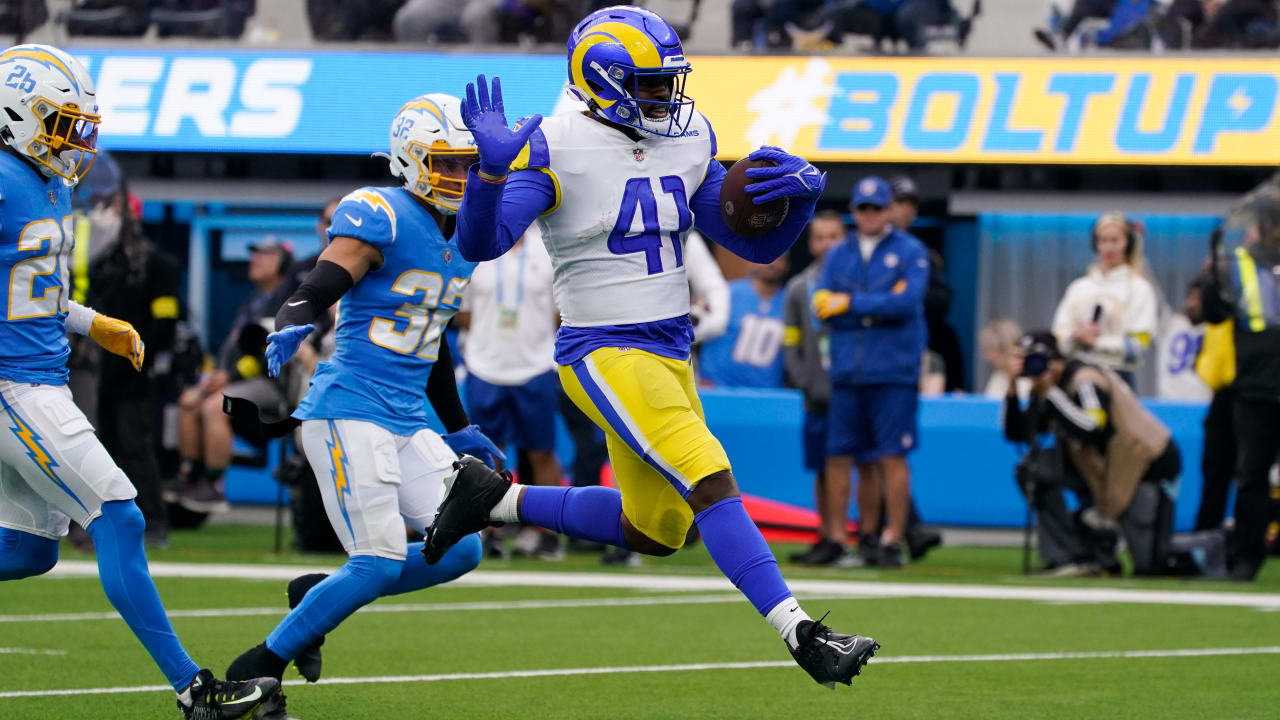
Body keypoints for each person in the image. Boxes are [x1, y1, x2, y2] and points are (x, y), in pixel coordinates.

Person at [426, 6, 879, 689]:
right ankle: (802, 632)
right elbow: (480, 245)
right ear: (602, 82)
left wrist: (801, 203)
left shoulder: (688, 133)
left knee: (656, 530)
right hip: (602, 348)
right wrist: (489, 179)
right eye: (648, 83)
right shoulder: (554, 144)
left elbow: (751, 245)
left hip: (670, 349)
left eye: (669, 82)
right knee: (710, 477)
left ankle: (495, 501)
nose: (667, 98)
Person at [0, 42, 278, 719]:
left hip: (39, 375)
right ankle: (194, 690)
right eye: (62, 124)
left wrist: (93, 322)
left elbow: (28, 288)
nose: (77, 140)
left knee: (30, 551)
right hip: (14, 387)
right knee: (119, 513)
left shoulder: (45, 181)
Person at [224, 94, 504, 712]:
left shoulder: (466, 233)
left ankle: (317, 594)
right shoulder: (381, 213)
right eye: (446, 163)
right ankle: (260, 665)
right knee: (375, 562)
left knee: (463, 547)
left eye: (467, 164)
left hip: (405, 417)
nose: (459, 177)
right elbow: (321, 281)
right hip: (348, 409)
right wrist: (294, 318)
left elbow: (434, 340)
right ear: (410, 159)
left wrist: (458, 426)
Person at [814, 176, 929, 568]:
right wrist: (875, 304)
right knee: (840, 456)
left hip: (893, 371)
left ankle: (891, 538)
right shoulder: (840, 253)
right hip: (848, 369)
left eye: (876, 207)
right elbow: (823, 304)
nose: (869, 215)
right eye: (862, 208)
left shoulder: (910, 250)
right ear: (854, 212)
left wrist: (851, 304)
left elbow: (907, 302)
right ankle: (838, 538)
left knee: (890, 456)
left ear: (889, 210)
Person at [1004, 332, 1188, 576]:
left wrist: (1051, 394)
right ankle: (1072, 555)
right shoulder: (1045, 390)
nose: (1034, 369)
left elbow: (1091, 427)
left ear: (1057, 360)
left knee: (1150, 566)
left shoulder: (1085, 379)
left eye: (1038, 360)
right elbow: (1018, 433)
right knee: (1034, 469)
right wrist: (1012, 387)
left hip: (1145, 467)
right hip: (1103, 471)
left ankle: (1099, 533)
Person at [86, 177, 182, 548]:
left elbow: (164, 323)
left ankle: (154, 520)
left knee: (134, 445)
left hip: (133, 370)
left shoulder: (157, 265)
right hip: (97, 366)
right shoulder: (95, 263)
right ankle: (102, 525)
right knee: (101, 445)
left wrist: (135, 355)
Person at [459, 224, 564, 560]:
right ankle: (487, 530)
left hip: (535, 365)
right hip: (484, 365)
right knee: (487, 454)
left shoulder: (547, 247)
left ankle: (545, 533)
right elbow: (462, 311)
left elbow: (562, 310)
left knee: (541, 452)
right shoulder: (476, 246)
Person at [173, 237, 291, 513]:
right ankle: (190, 476)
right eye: (254, 255)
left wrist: (229, 377)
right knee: (189, 400)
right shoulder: (252, 302)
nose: (254, 260)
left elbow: (267, 356)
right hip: (240, 382)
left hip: (274, 385)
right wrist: (214, 373)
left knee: (217, 404)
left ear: (281, 263)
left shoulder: (286, 302)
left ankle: (215, 486)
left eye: (263, 255)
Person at [1202, 199, 1280, 580]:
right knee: (1251, 475)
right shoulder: (1239, 264)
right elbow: (1215, 313)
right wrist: (1211, 283)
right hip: (1256, 386)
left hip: (1258, 381)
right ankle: (1246, 558)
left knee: (1253, 475)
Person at [783, 211, 845, 565]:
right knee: (822, 467)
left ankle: (854, 536)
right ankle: (826, 535)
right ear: (810, 243)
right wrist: (803, 378)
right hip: (816, 396)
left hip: (852, 391)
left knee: (858, 466)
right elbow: (790, 340)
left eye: (833, 236)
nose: (826, 244)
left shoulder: (858, 283)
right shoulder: (799, 288)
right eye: (820, 237)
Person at [1051, 212, 1158, 390]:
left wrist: (1096, 343)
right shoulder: (1078, 287)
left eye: (1115, 240)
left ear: (1128, 243)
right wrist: (1075, 336)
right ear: (1095, 244)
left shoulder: (1140, 289)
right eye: (1103, 240)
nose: (1108, 248)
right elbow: (1058, 337)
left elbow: (1138, 346)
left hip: (1118, 378)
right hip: (1075, 375)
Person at [698, 254, 790, 388]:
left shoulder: (789, 302)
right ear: (751, 261)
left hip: (767, 394)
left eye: (780, 258)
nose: (772, 263)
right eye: (769, 256)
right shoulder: (726, 293)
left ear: (787, 266)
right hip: (719, 387)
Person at [979, 318, 1027, 399]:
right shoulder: (998, 376)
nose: (987, 358)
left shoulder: (1026, 382)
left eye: (988, 350)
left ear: (1003, 349)